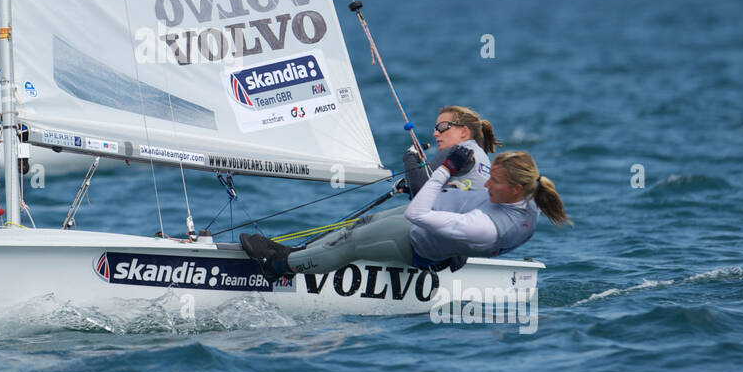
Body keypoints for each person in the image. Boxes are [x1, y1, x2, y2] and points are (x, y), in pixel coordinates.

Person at [241, 148, 569, 280]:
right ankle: (299, 254)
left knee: (351, 245)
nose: (487, 184)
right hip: (439, 221)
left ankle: (280, 266)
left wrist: (444, 170)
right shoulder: (529, 193)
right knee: (360, 224)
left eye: (494, 182)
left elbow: (417, 212)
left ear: (513, 189)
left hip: (417, 242)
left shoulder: (487, 228)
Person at [399, 104, 501, 205]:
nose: (435, 134)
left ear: (464, 132)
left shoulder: (456, 151)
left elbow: (418, 187)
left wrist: (410, 155)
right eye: (435, 129)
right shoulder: (481, 154)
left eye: (442, 127)